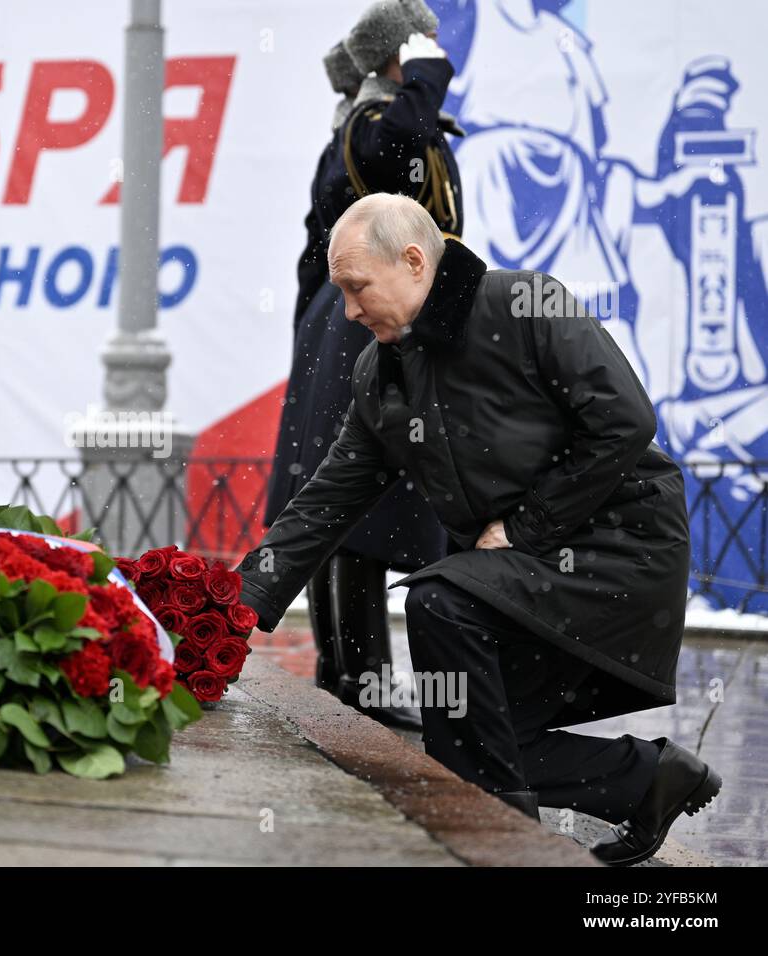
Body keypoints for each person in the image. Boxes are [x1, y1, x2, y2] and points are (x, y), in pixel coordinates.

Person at [237, 192, 721, 866]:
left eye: (356, 287)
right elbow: (328, 500)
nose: (347, 309)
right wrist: (235, 605)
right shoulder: (381, 373)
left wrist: (525, 526)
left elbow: (625, 422)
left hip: (619, 552)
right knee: (479, 738)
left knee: (441, 602)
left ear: (412, 261)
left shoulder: (526, 304)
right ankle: (648, 782)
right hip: (524, 571)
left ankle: (504, 846)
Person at [265, 0, 463, 730]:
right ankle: (357, 677)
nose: (431, 57)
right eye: (416, 48)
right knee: (359, 500)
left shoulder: (366, 124)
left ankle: (350, 673)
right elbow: (404, 140)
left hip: (354, 327)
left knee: (363, 500)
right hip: (361, 329)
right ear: (395, 56)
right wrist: (427, 77)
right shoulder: (374, 124)